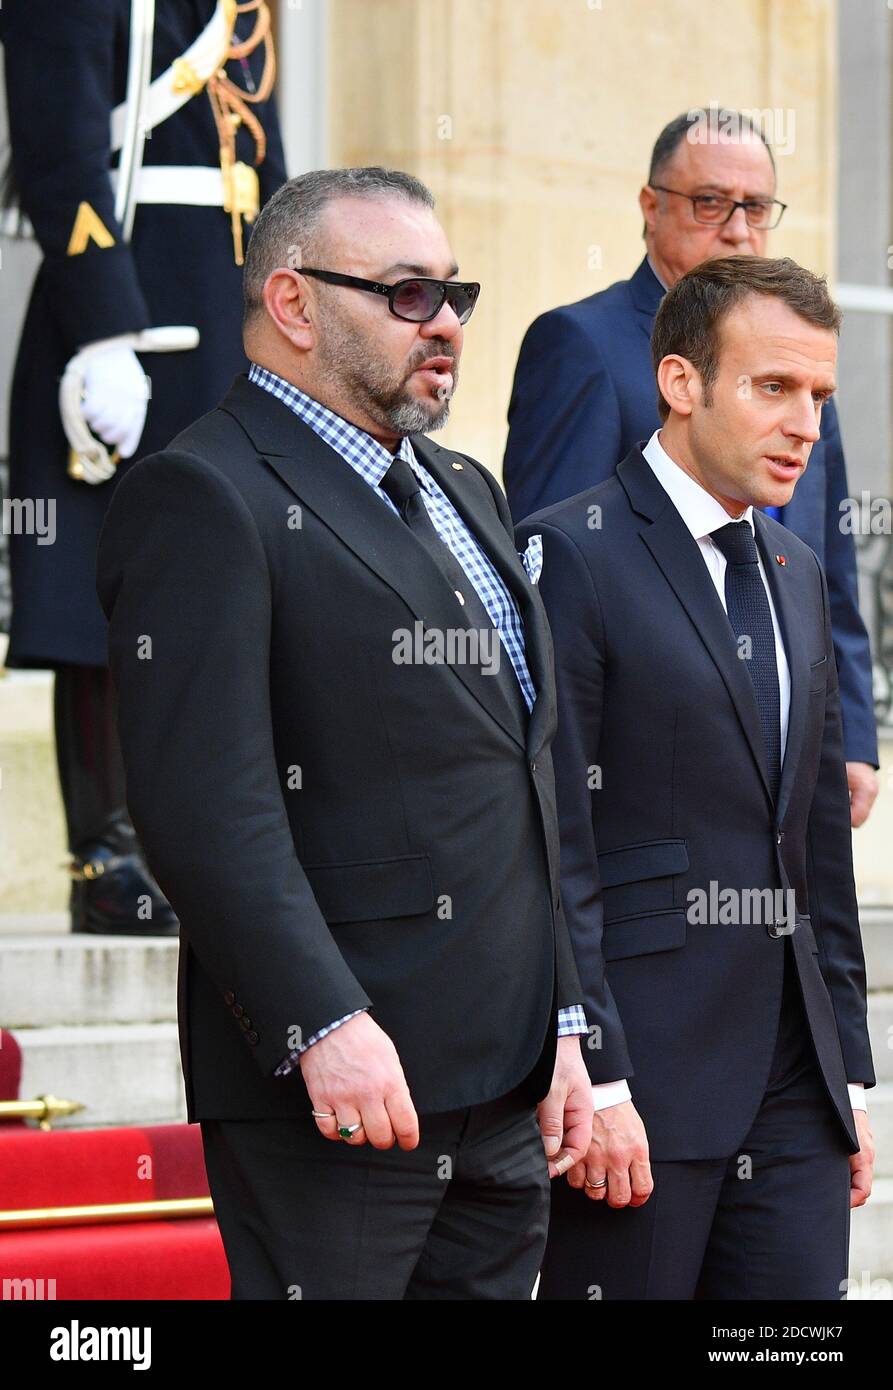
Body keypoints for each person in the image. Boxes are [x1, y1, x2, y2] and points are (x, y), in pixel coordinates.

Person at [96, 166, 593, 1300]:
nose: (449, 322)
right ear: (294, 303)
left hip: (506, 1085)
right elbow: (204, 811)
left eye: (454, 292)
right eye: (408, 294)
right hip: (335, 1089)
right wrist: (320, 1020)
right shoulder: (202, 493)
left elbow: (525, 777)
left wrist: (564, 1023)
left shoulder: (466, 485)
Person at [516, 255, 875, 1300]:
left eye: (816, 395)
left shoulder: (795, 573)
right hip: (644, 1084)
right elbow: (553, 842)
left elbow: (813, 846)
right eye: (773, 388)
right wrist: (597, 1069)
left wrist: (844, 1068)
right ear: (679, 383)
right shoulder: (570, 554)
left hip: (793, 1088)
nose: (804, 423)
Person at [504, 107, 879, 828]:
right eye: (710, 203)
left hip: (789, 743)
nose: (737, 228)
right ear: (651, 207)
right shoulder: (579, 342)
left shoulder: (795, 366)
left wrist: (852, 736)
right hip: (651, 767)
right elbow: (548, 566)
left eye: (756, 207)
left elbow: (828, 564)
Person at [1, 0, 285, 932]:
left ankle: (199, 850)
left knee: (220, 597)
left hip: (227, 308)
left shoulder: (238, 10)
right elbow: (57, 145)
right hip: (126, 309)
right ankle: (108, 856)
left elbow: (265, 176)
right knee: (105, 594)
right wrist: (102, 324)